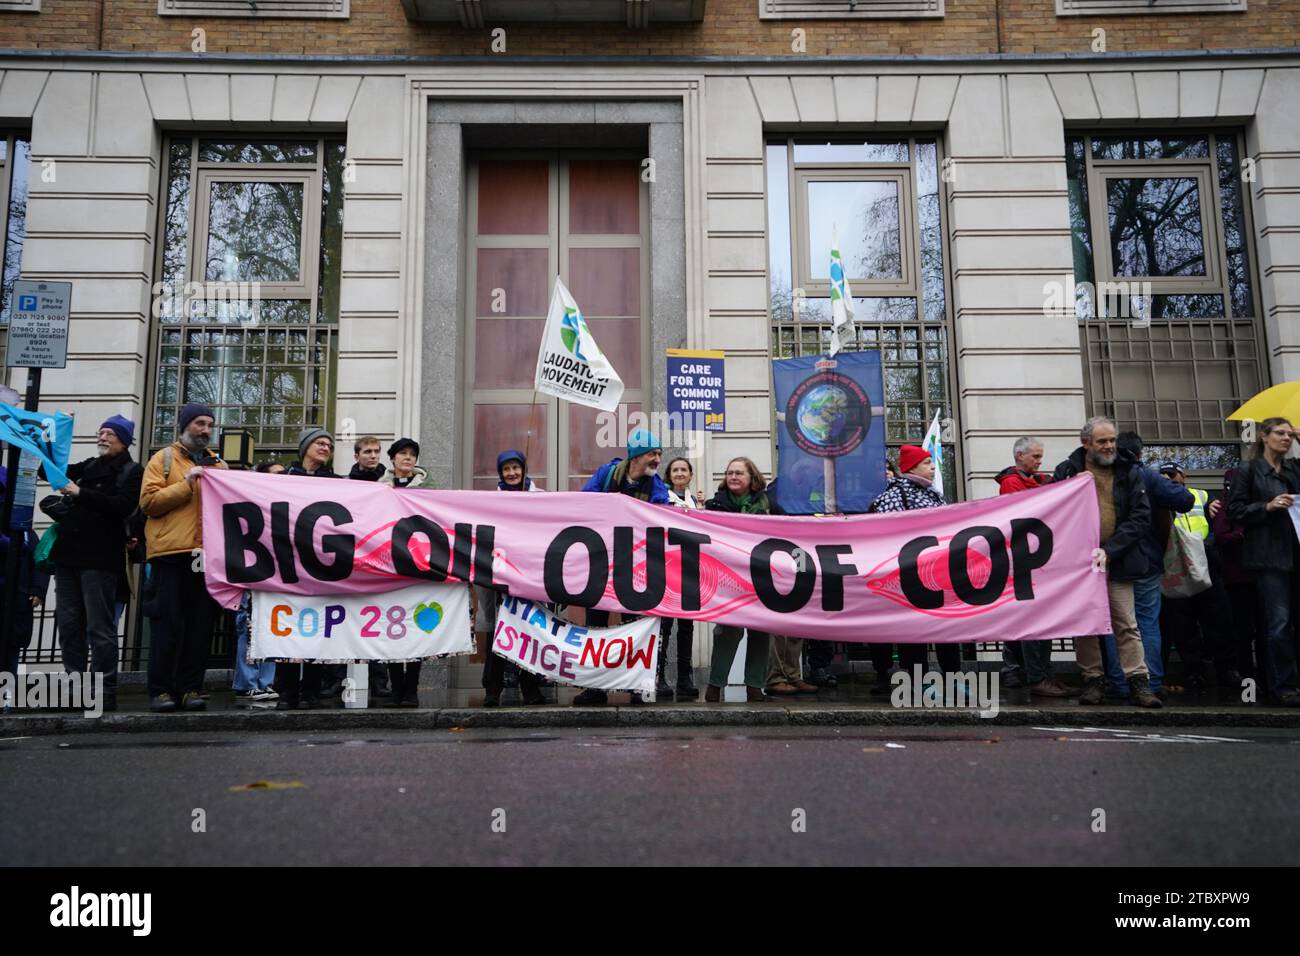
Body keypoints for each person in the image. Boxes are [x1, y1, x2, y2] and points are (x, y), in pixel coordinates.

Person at [1051, 417, 1162, 708]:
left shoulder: (1129, 471)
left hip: (1118, 560)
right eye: (1102, 441)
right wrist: (1067, 489)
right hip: (1081, 564)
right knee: (1085, 625)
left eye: (1112, 439)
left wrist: (1110, 550)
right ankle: (1093, 681)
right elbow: (1050, 514)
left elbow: (1140, 518)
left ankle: (1139, 683)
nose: (1110, 445)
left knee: (1126, 623)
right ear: (1086, 443)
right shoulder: (1066, 471)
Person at [41, 415, 143, 713]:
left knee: (100, 628)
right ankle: (75, 688)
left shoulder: (132, 471)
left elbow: (123, 506)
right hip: (69, 556)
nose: (102, 437)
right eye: (101, 432)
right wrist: (42, 445)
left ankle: (103, 690)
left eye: (110, 433)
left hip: (99, 559)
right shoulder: (88, 466)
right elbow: (53, 471)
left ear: (124, 440)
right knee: (69, 626)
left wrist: (80, 492)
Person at [140, 403, 228, 712]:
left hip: (205, 557)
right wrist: (186, 484)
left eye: (209, 425)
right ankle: (161, 691)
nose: (205, 430)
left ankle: (191, 688)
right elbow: (149, 503)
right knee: (168, 626)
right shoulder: (162, 459)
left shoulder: (219, 465)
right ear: (185, 425)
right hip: (170, 555)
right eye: (199, 423)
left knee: (200, 627)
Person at [572, 428, 670, 706]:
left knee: (637, 627)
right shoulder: (607, 475)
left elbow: (662, 514)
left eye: (660, 454)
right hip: (601, 563)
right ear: (636, 455)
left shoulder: (656, 485)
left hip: (635, 566)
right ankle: (595, 688)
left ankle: (638, 686)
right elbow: (583, 502)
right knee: (596, 627)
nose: (657, 459)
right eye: (653, 453)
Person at [1099, 432, 1193, 701]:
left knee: (1118, 624)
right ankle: (1150, 682)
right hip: (1146, 561)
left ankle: (1120, 682)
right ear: (1140, 454)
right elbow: (1185, 501)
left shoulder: (1101, 477)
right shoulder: (1147, 476)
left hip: (1112, 560)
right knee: (1147, 623)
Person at [870, 444, 967, 696]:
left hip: (939, 572)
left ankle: (953, 676)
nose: (932, 467)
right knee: (913, 630)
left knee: (947, 626)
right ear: (912, 467)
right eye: (926, 463)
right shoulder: (894, 494)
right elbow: (888, 532)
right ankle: (916, 680)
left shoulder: (934, 494)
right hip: (910, 574)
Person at [1226, 417, 1300, 707]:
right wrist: (1267, 506)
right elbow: (1235, 510)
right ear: (1264, 437)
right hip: (1269, 557)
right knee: (1278, 623)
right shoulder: (1249, 470)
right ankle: (1281, 686)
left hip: (1294, 553)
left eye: (1289, 434)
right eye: (1280, 433)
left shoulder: (1294, 469)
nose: (1285, 438)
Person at [994, 437, 1076, 697]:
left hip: (1038, 560)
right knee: (1034, 623)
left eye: (1041, 457)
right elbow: (1023, 516)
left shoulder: (1039, 482)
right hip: (1024, 562)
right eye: (1035, 457)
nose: (1040, 462)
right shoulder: (1012, 483)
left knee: (1045, 622)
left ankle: (1045, 674)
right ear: (1019, 456)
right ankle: (1036, 675)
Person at [703, 456, 781, 703]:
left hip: (762, 575)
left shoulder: (769, 504)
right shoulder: (714, 505)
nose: (733, 477)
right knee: (727, 630)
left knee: (760, 631)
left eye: (739, 473)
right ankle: (715, 685)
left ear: (752, 478)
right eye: (730, 473)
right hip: (728, 578)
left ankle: (754, 686)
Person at [1156, 461, 1239, 693]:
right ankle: (1194, 672)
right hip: (1177, 566)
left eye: (1172, 474)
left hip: (1206, 562)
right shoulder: (1159, 498)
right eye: (1162, 475)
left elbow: (1219, 524)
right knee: (1183, 624)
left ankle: (1226, 670)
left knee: (1219, 620)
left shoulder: (1203, 496)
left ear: (1185, 476)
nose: (1168, 478)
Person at [276, 427, 344, 709]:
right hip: (288, 566)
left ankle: (312, 690)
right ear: (304, 447)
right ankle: (287, 691)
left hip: (320, 566)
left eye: (329, 444)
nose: (326, 447)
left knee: (318, 629)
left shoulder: (337, 482)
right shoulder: (283, 480)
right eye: (319, 443)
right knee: (287, 629)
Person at [480, 449, 546, 707]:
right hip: (501, 575)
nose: (511, 473)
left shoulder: (540, 498)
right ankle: (492, 690)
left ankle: (531, 688)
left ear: (524, 469)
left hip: (530, 576)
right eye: (506, 469)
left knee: (529, 630)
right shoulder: (491, 501)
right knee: (499, 631)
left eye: (515, 468)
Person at [231, 459, 284, 705]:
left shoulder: (287, 504)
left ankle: (265, 682)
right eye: (275, 475)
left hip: (277, 577)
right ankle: (247, 684)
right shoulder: (250, 503)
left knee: (272, 627)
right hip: (253, 575)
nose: (280, 478)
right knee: (248, 627)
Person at [0, 464, 49, 711]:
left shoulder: (25, 528)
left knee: (10, 652)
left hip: (17, 598)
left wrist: (38, 591)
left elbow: (38, 560)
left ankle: (5, 701)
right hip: (12, 595)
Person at [1211, 467, 1263, 693]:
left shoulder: (1259, 504)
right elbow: (1222, 536)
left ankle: (1264, 677)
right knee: (1243, 630)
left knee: (1264, 628)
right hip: (1238, 577)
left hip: (1260, 574)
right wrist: (1245, 535)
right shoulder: (1226, 507)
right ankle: (1247, 679)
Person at [659, 456, 704, 700]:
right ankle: (660, 676)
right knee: (664, 625)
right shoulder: (662, 498)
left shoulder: (695, 501)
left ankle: (684, 678)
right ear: (669, 475)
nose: (679, 473)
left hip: (690, 569)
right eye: (675, 469)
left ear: (690, 474)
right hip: (666, 568)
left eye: (683, 469)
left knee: (687, 626)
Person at [348, 437, 391, 697]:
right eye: (367, 452)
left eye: (376, 452)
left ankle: (379, 682)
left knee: (379, 625)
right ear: (357, 456)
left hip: (380, 561)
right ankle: (339, 681)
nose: (373, 456)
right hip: (353, 560)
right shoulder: (346, 483)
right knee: (348, 624)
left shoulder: (388, 482)